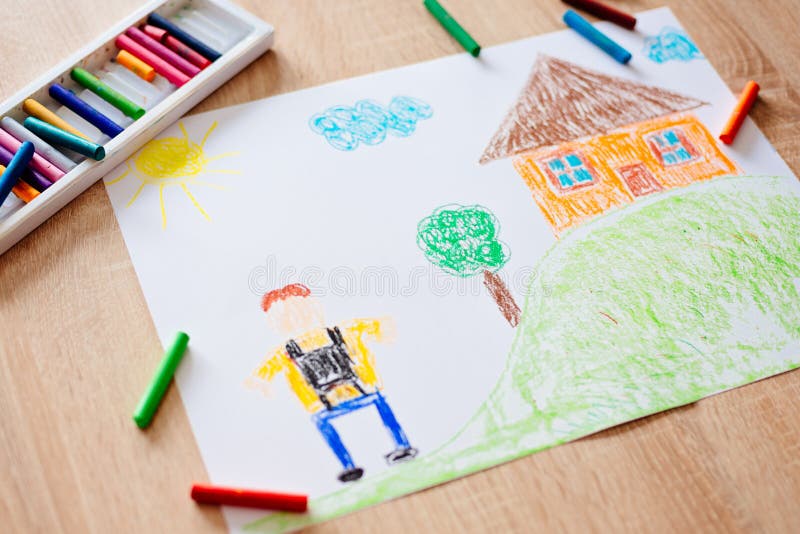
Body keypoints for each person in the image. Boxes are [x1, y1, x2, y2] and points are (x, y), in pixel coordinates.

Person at [252, 283, 417, 482]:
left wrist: (263, 386)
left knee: (321, 420)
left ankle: (349, 466)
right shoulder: (343, 331)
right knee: (378, 400)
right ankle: (401, 445)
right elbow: (384, 326)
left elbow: (261, 376)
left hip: (327, 405)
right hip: (360, 394)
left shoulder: (285, 351)